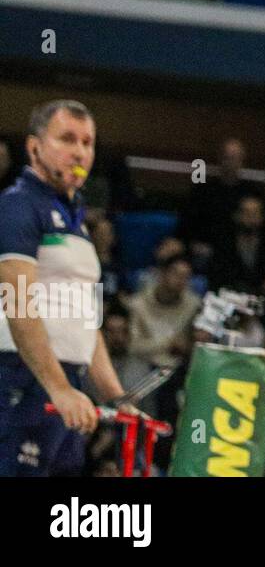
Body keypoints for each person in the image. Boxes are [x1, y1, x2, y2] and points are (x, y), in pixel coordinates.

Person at [0, 100, 132, 475]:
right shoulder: (17, 206)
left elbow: (87, 324)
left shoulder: (80, 223)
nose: (79, 152)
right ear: (34, 147)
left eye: (88, 143)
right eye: (67, 139)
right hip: (20, 378)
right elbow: (18, 305)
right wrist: (58, 389)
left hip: (68, 387)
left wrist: (116, 398)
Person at [177, 138, 262, 259]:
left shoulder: (253, 193)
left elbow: (258, 230)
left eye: (235, 158)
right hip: (203, 253)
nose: (231, 163)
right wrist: (192, 245)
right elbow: (186, 225)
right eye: (227, 157)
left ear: (242, 161)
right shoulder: (201, 190)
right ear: (220, 159)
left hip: (238, 256)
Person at [123, 255, 203, 370]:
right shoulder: (138, 304)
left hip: (178, 368)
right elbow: (132, 346)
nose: (180, 280)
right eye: (176, 274)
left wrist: (188, 346)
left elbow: (194, 346)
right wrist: (168, 344)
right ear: (162, 274)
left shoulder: (194, 305)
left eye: (186, 276)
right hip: (143, 365)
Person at [207, 194, 265, 296]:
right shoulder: (224, 244)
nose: (251, 218)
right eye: (246, 213)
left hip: (262, 299)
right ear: (237, 215)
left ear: (262, 217)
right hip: (229, 298)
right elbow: (217, 277)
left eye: (255, 213)